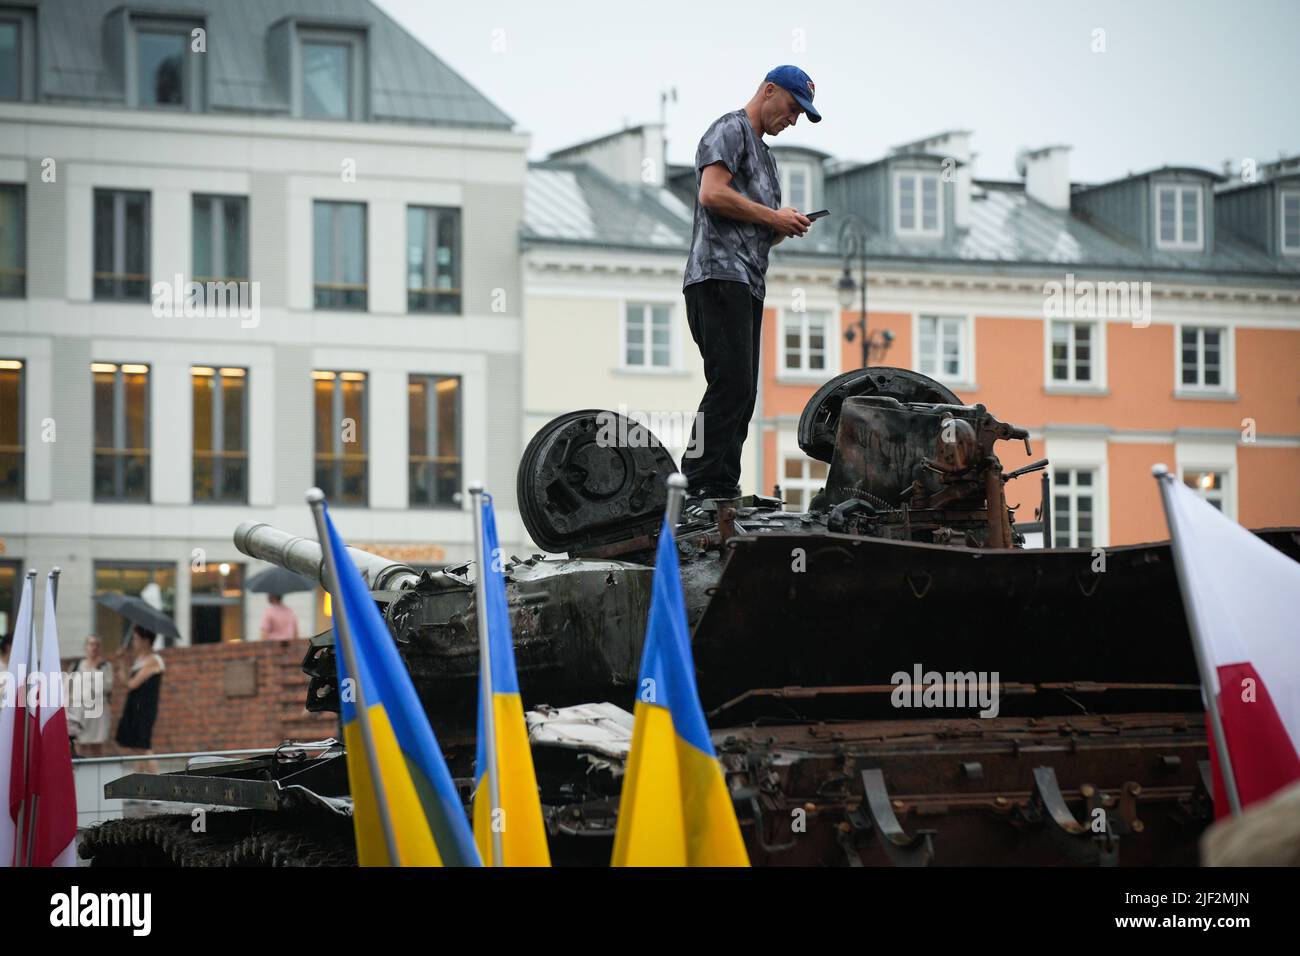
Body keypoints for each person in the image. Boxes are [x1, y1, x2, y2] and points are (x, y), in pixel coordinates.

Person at [680, 65, 822, 518]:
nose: (794, 119)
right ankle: (698, 482)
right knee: (731, 382)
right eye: (794, 108)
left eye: (802, 114)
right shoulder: (729, 129)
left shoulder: (768, 158)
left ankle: (721, 483)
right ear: (769, 91)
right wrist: (772, 216)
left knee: (744, 389)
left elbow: (758, 227)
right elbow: (712, 194)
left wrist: (785, 225)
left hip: (747, 281)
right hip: (717, 275)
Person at [114, 626, 164, 764]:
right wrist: (121, 660)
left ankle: (155, 780)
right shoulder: (140, 659)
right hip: (135, 706)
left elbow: (132, 684)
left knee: (144, 746)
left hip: (145, 708)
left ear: (146, 641)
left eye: (136, 638)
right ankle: (140, 781)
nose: (133, 641)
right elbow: (125, 681)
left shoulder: (153, 660)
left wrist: (127, 677)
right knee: (136, 748)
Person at [69, 635, 113, 757]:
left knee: (97, 744)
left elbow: (107, 687)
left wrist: (94, 673)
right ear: (85, 647)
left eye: (97, 645)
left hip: (98, 711)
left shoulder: (105, 666)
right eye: (91, 644)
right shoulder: (77, 665)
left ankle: (98, 773)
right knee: (79, 742)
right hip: (80, 710)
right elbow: (69, 688)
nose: (94, 647)